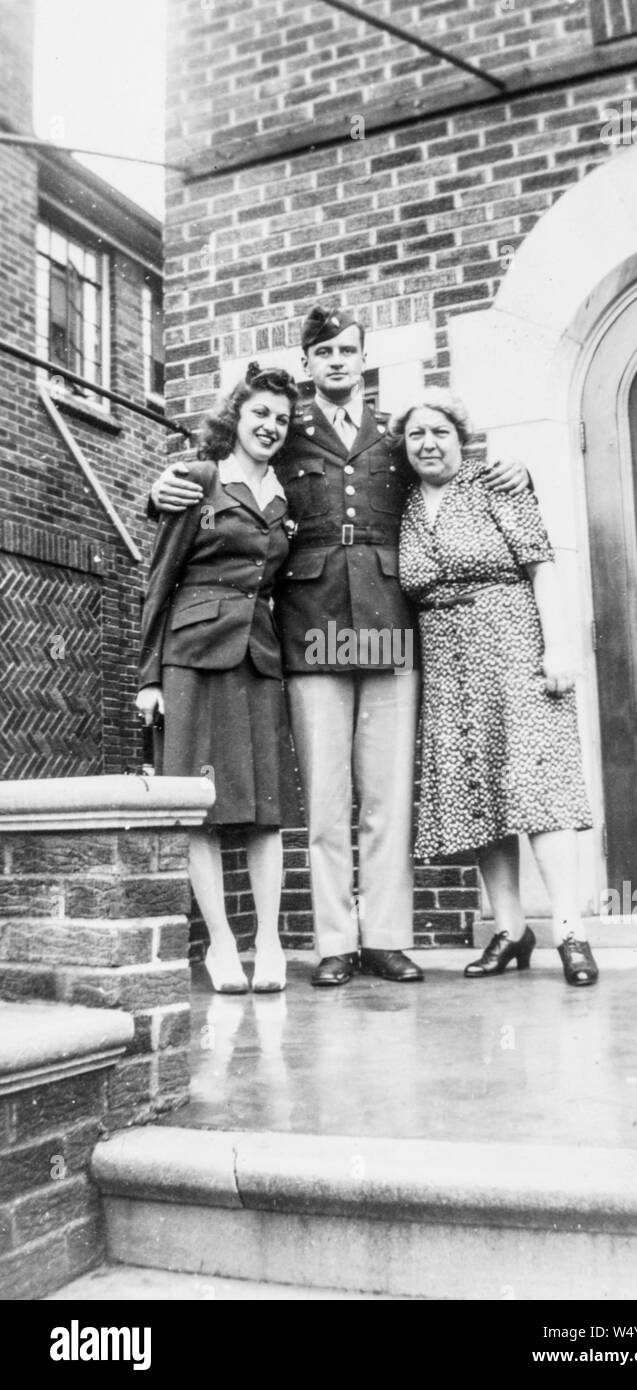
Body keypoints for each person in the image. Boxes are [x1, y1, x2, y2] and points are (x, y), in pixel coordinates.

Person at [150, 305, 529, 988]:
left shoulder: (394, 435)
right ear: (308, 363)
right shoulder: (283, 433)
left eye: (346, 351)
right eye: (322, 351)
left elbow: (446, 471)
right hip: (310, 625)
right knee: (325, 797)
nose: (335, 362)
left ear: (362, 360)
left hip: (387, 623)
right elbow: (216, 469)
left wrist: (514, 470)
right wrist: (160, 488)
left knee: (385, 795)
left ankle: (384, 938)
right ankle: (334, 943)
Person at [394, 389, 598, 987]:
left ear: (461, 438)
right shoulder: (404, 505)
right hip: (446, 661)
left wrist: (557, 646)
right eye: (416, 436)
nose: (428, 444)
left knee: (536, 785)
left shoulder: (495, 485)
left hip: (511, 645)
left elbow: (542, 565)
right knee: (476, 793)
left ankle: (570, 930)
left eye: (440, 433)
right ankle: (510, 930)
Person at [137, 362, 300, 994]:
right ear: (236, 416)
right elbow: (159, 580)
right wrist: (149, 676)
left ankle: (270, 941)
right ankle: (223, 946)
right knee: (198, 809)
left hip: (259, 660)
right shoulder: (200, 480)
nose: (271, 426)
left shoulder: (283, 496)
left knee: (265, 809)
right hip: (192, 659)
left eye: (282, 420)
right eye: (260, 413)